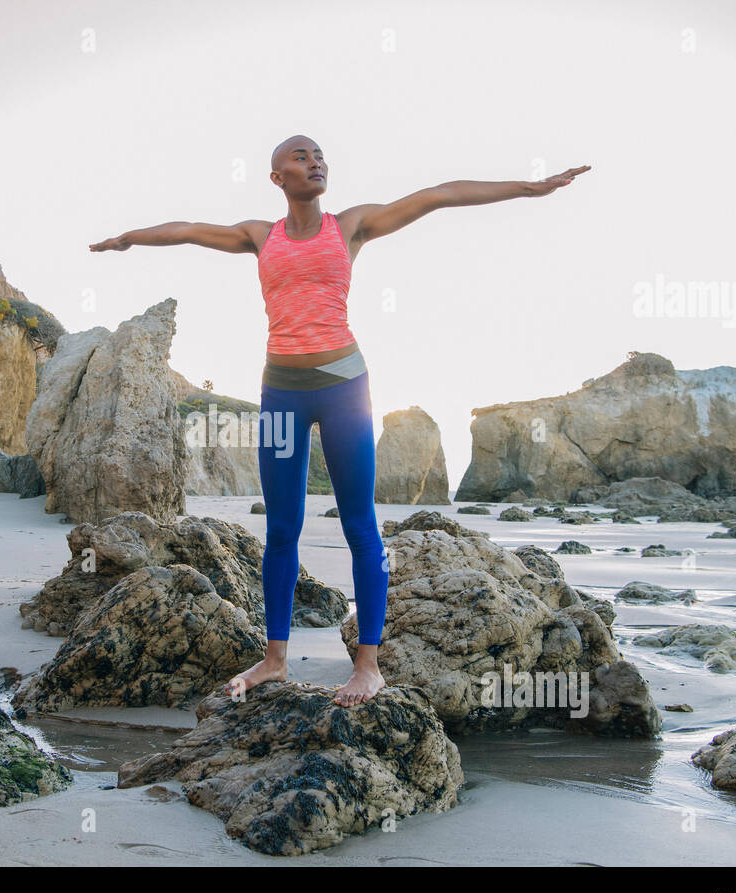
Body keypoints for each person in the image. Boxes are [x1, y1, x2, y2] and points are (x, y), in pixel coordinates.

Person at [90, 134, 588, 705]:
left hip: (345, 388)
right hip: (281, 391)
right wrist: (130, 238)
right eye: (300, 157)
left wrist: (530, 187)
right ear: (277, 177)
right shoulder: (261, 236)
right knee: (281, 529)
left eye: (319, 154)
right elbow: (190, 231)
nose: (315, 161)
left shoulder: (349, 226)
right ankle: (274, 659)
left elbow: (438, 195)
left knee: (360, 526)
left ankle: (368, 666)